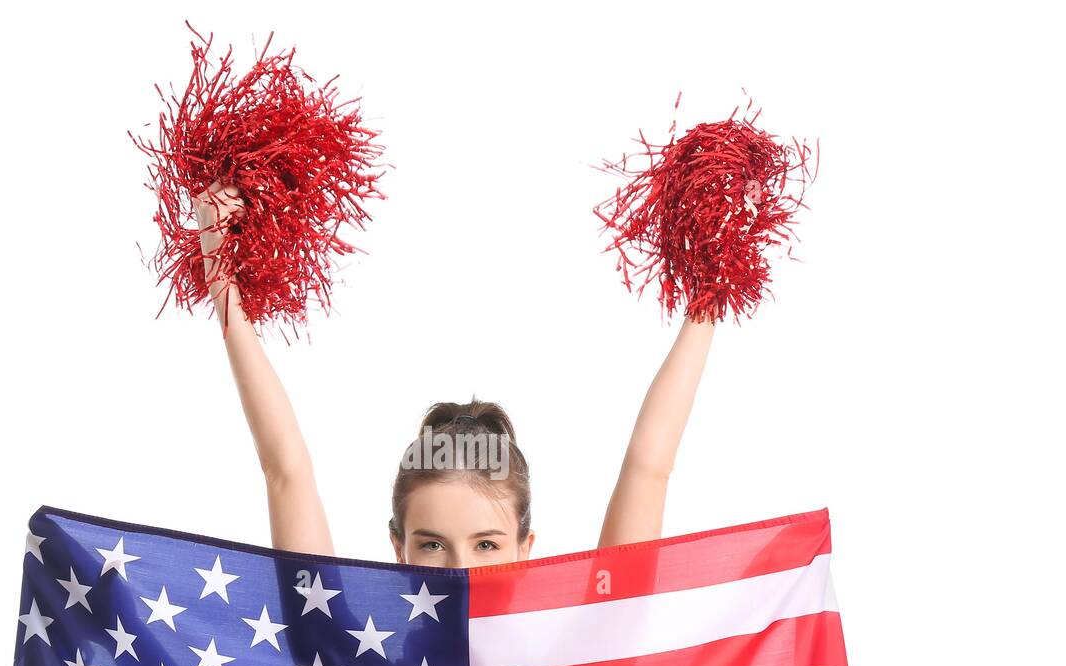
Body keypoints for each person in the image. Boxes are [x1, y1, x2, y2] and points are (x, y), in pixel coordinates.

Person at [194, 181, 715, 569]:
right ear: (399, 549)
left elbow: (649, 469)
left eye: (486, 544)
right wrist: (219, 267)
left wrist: (716, 277)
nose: (459, 573)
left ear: (524, 549)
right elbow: (285, 472)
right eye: (432, 544)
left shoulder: (584, 654)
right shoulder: (347, 664)